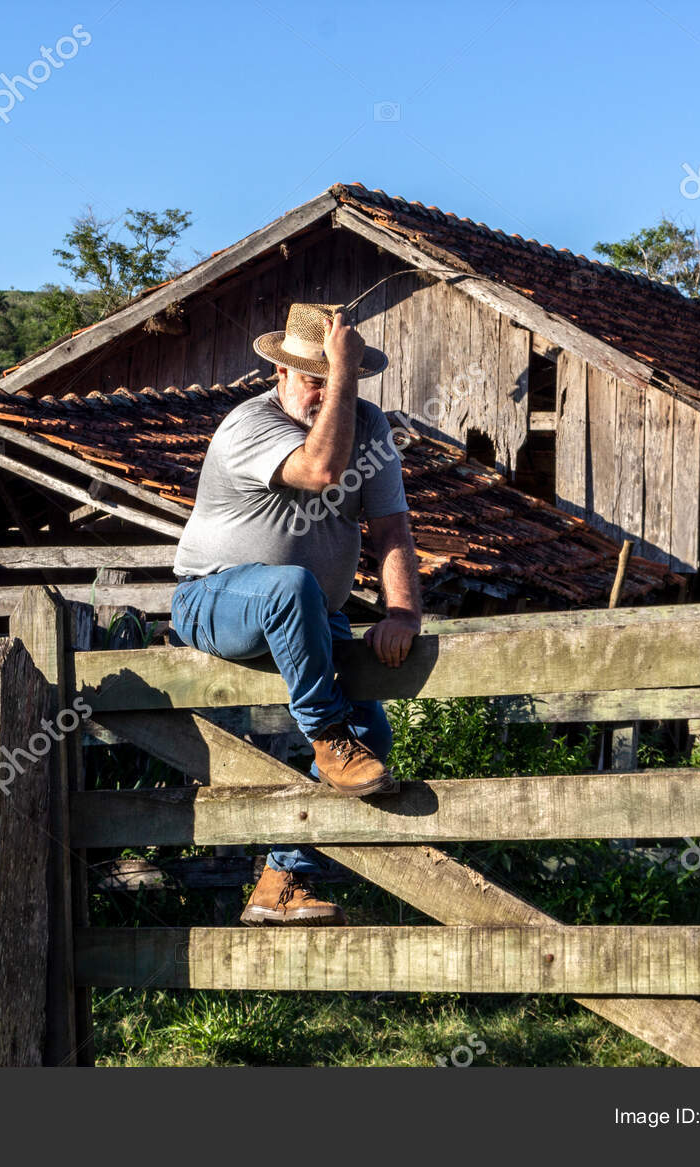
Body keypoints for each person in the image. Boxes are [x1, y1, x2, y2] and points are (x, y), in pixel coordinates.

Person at [171, 302, 423, 926]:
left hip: (313, 611)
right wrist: (342, 373)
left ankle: (283, 880)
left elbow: (391, 525)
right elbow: (320, 468)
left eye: (336, 378)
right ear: (281, 373)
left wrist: (402, 612)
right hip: (214, 596)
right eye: (316, 378)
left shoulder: (369, 426)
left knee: (374, 733)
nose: (326, 390)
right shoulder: (247, 425)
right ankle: (325, 735)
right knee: (292, 587)